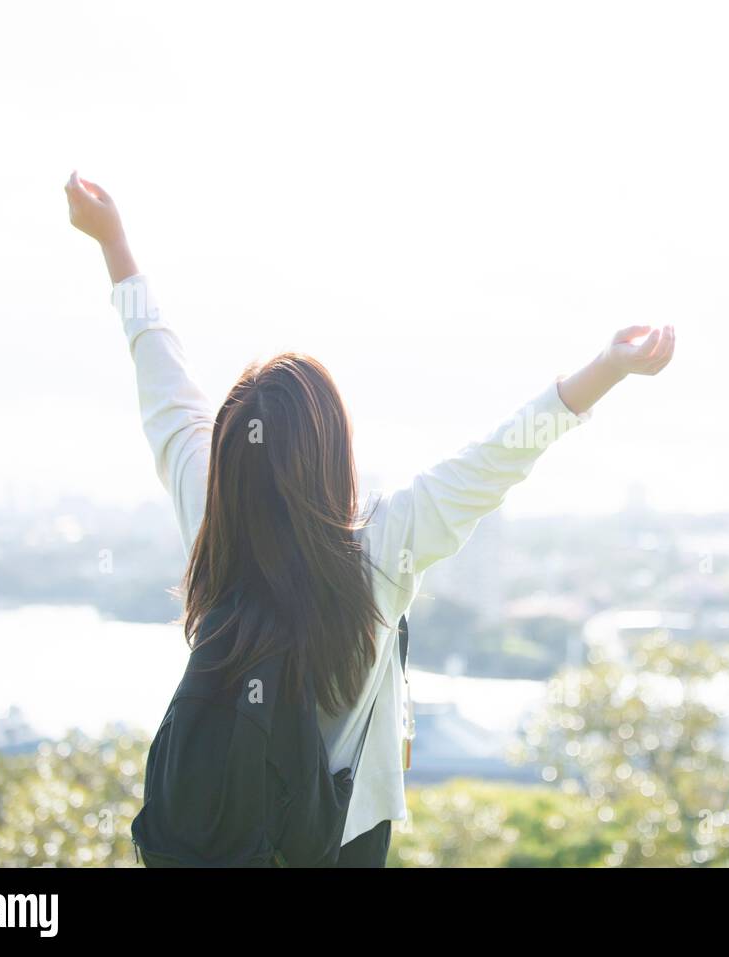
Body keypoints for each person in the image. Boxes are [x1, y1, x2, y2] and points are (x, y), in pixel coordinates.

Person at [64, 170, 676, 866]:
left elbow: (162, 372)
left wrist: (114, 243)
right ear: (332, 450)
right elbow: (499, 456)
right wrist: (609, 365)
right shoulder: (382, 551)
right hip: (337, 842)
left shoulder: (211, 507)